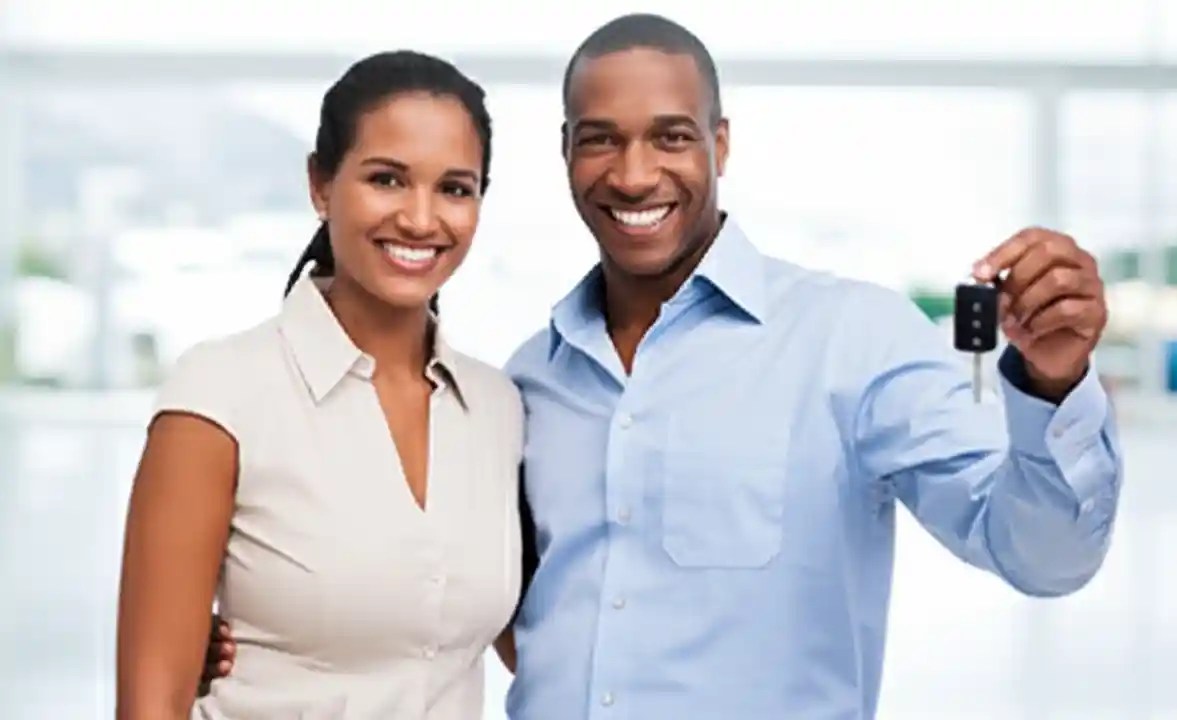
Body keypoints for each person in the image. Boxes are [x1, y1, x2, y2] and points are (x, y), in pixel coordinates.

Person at [206, 13, 1123, 719]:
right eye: (601, 137)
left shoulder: (854, 339)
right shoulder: (523, 386)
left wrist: (1049, 388)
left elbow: (1038, 555)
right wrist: (273, 634)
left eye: (672, 136)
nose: (635, 174)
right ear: (566, 153)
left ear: (720, 146)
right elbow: (469, 597)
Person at [116, 50, 525, 719]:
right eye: (387, 179)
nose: (422, 220)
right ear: (320, 184)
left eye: (455, 188)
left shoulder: (497, 409)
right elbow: (149, 706)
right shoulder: (220, 394)